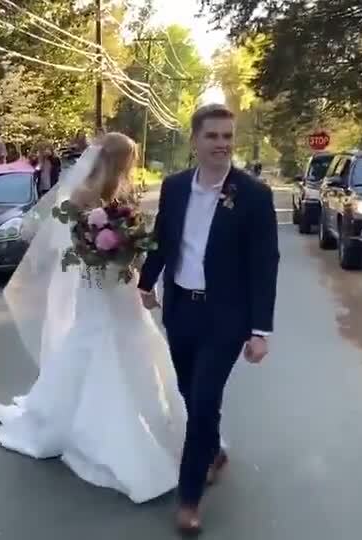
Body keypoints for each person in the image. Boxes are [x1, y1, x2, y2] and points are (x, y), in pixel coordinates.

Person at [0, 132, 188, 505]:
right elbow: (70, 244)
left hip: (122, 285)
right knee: (96, 344)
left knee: (137, 344)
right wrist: (103, 250)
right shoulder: (80, 197)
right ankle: (104, 432)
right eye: (128, 160)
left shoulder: (121, 195)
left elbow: (134, 237)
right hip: (97, 285)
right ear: (115, 161)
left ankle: (159, 423)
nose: (131, 166)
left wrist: (132, 254)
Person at [138, 103, 280, 534]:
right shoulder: (175, 187)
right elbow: (164, 240)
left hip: (226, 316)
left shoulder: (253, 194)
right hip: (181, 309)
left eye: (227, 136)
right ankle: (214, 450)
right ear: (195, 140)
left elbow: (264, 263)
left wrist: (260, 330)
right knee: (187, 393)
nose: (221, 144)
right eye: (212, 136)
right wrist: (146, 283)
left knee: (202, 402)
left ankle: (189, 499)